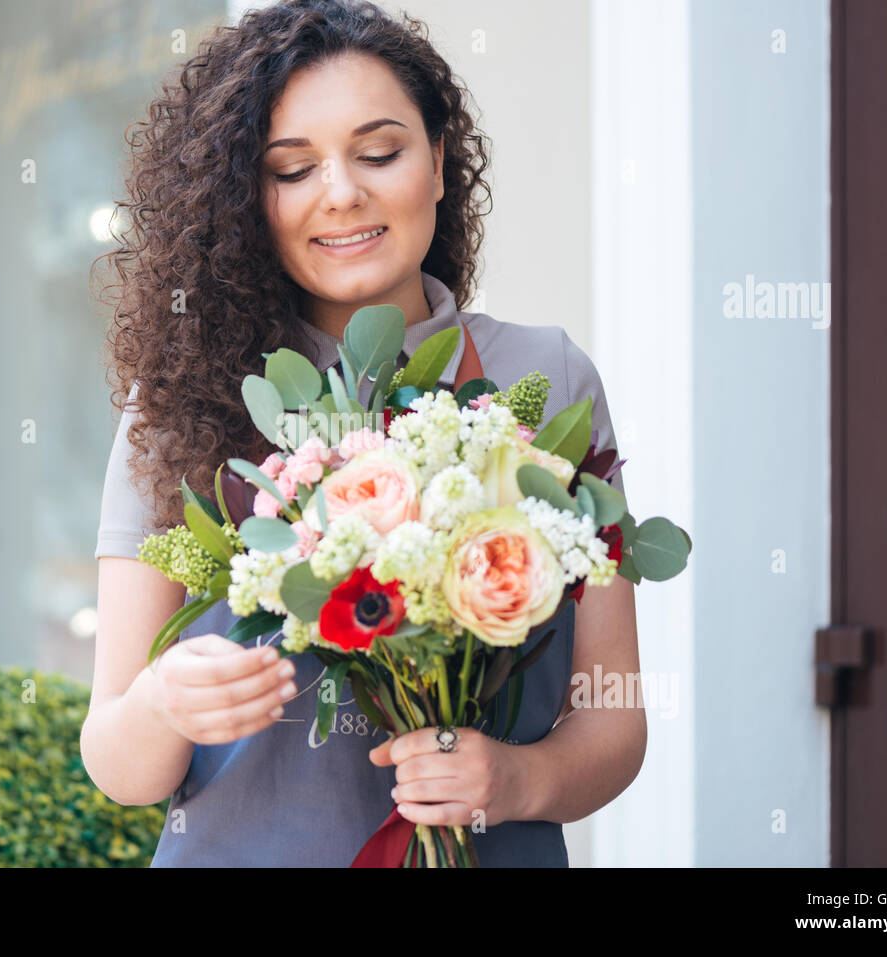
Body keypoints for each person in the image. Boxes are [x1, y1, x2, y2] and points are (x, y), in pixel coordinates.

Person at [81, 0, 644, 867]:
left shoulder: (549, 381)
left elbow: (611, 711)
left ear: (441, 164)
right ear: (247, 201)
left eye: (379, 152)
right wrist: (161, 705)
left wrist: (514, 782)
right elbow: (116, 762)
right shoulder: (181, 402)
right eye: (291, 169)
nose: (342, 192)